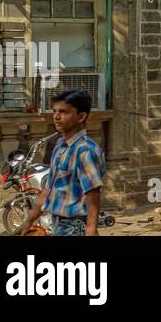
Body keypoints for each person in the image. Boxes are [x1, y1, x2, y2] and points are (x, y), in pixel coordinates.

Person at [20, 89, 106, 236]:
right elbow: (49, 190)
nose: (57, 117)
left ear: (81, 116)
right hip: (59, 223)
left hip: (76, 226)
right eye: (55, 111)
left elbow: (93, 193)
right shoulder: (60, 146)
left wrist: (91, 229)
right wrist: (29, 220)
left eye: (64, 112)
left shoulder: (85, 150)